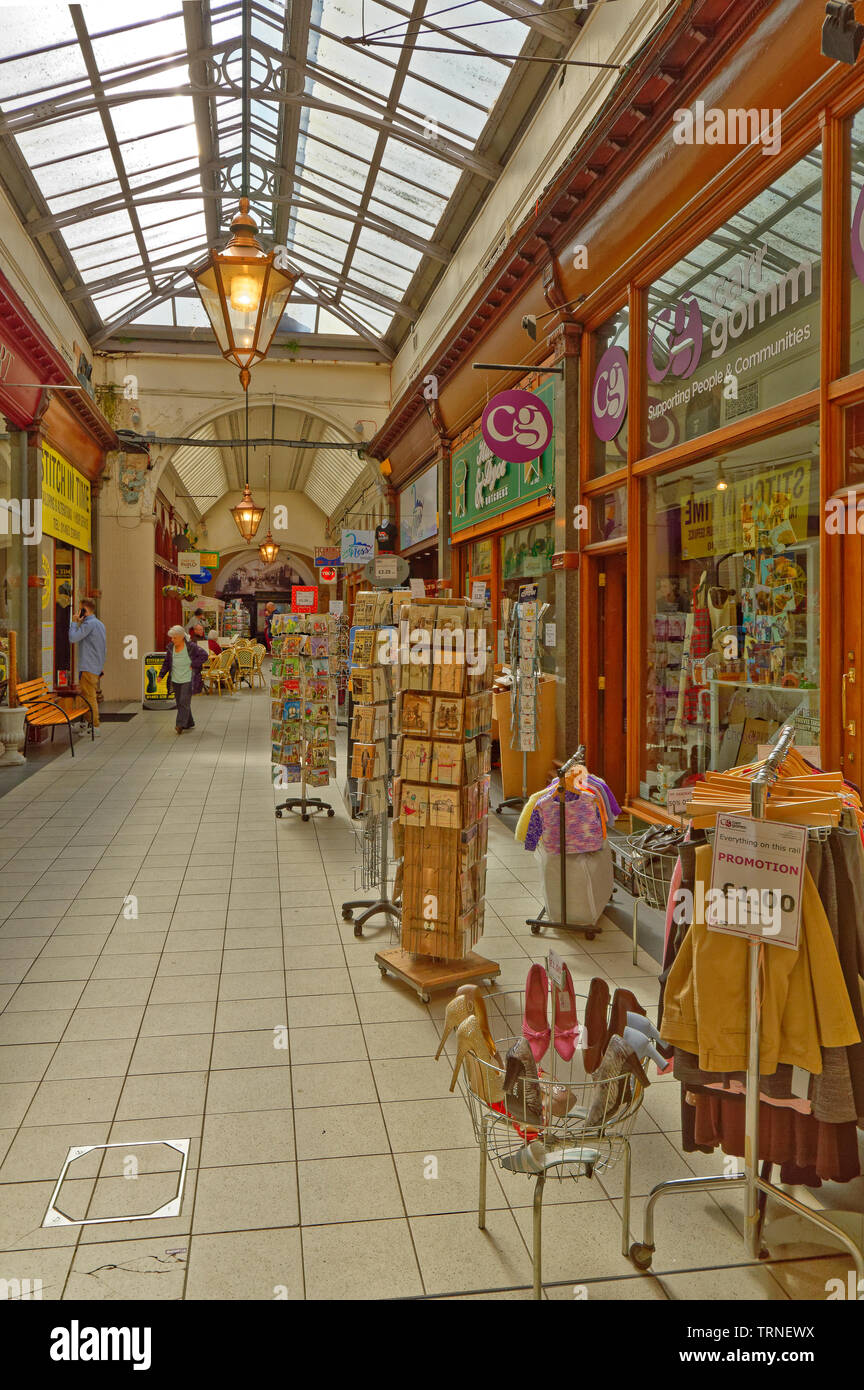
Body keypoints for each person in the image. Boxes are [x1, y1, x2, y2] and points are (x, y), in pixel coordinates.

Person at [68, 597, 106, 736]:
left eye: (80, 609)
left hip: (88, 666)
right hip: (94, 666)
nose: (78, 612)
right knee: (87, 695)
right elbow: (103, 648)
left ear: (85, 610)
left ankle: (94, 726)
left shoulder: (89, 625)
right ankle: (86, 723)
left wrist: (73, 623)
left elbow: (73, 638)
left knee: (90, 697)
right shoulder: (99, 624)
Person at [159, 624, 206, 734]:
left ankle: (179, 724)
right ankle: (189, 722)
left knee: (183, 701)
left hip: (188, 678)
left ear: (181, 636)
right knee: (180, 702)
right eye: (172, 637)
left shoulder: (191, 646)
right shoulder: (171, 647)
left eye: (174, 637)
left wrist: (194, 664)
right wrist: (161, 675)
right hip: (175, 679)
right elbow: (166, 662)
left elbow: (204, 655)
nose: (172, 640)